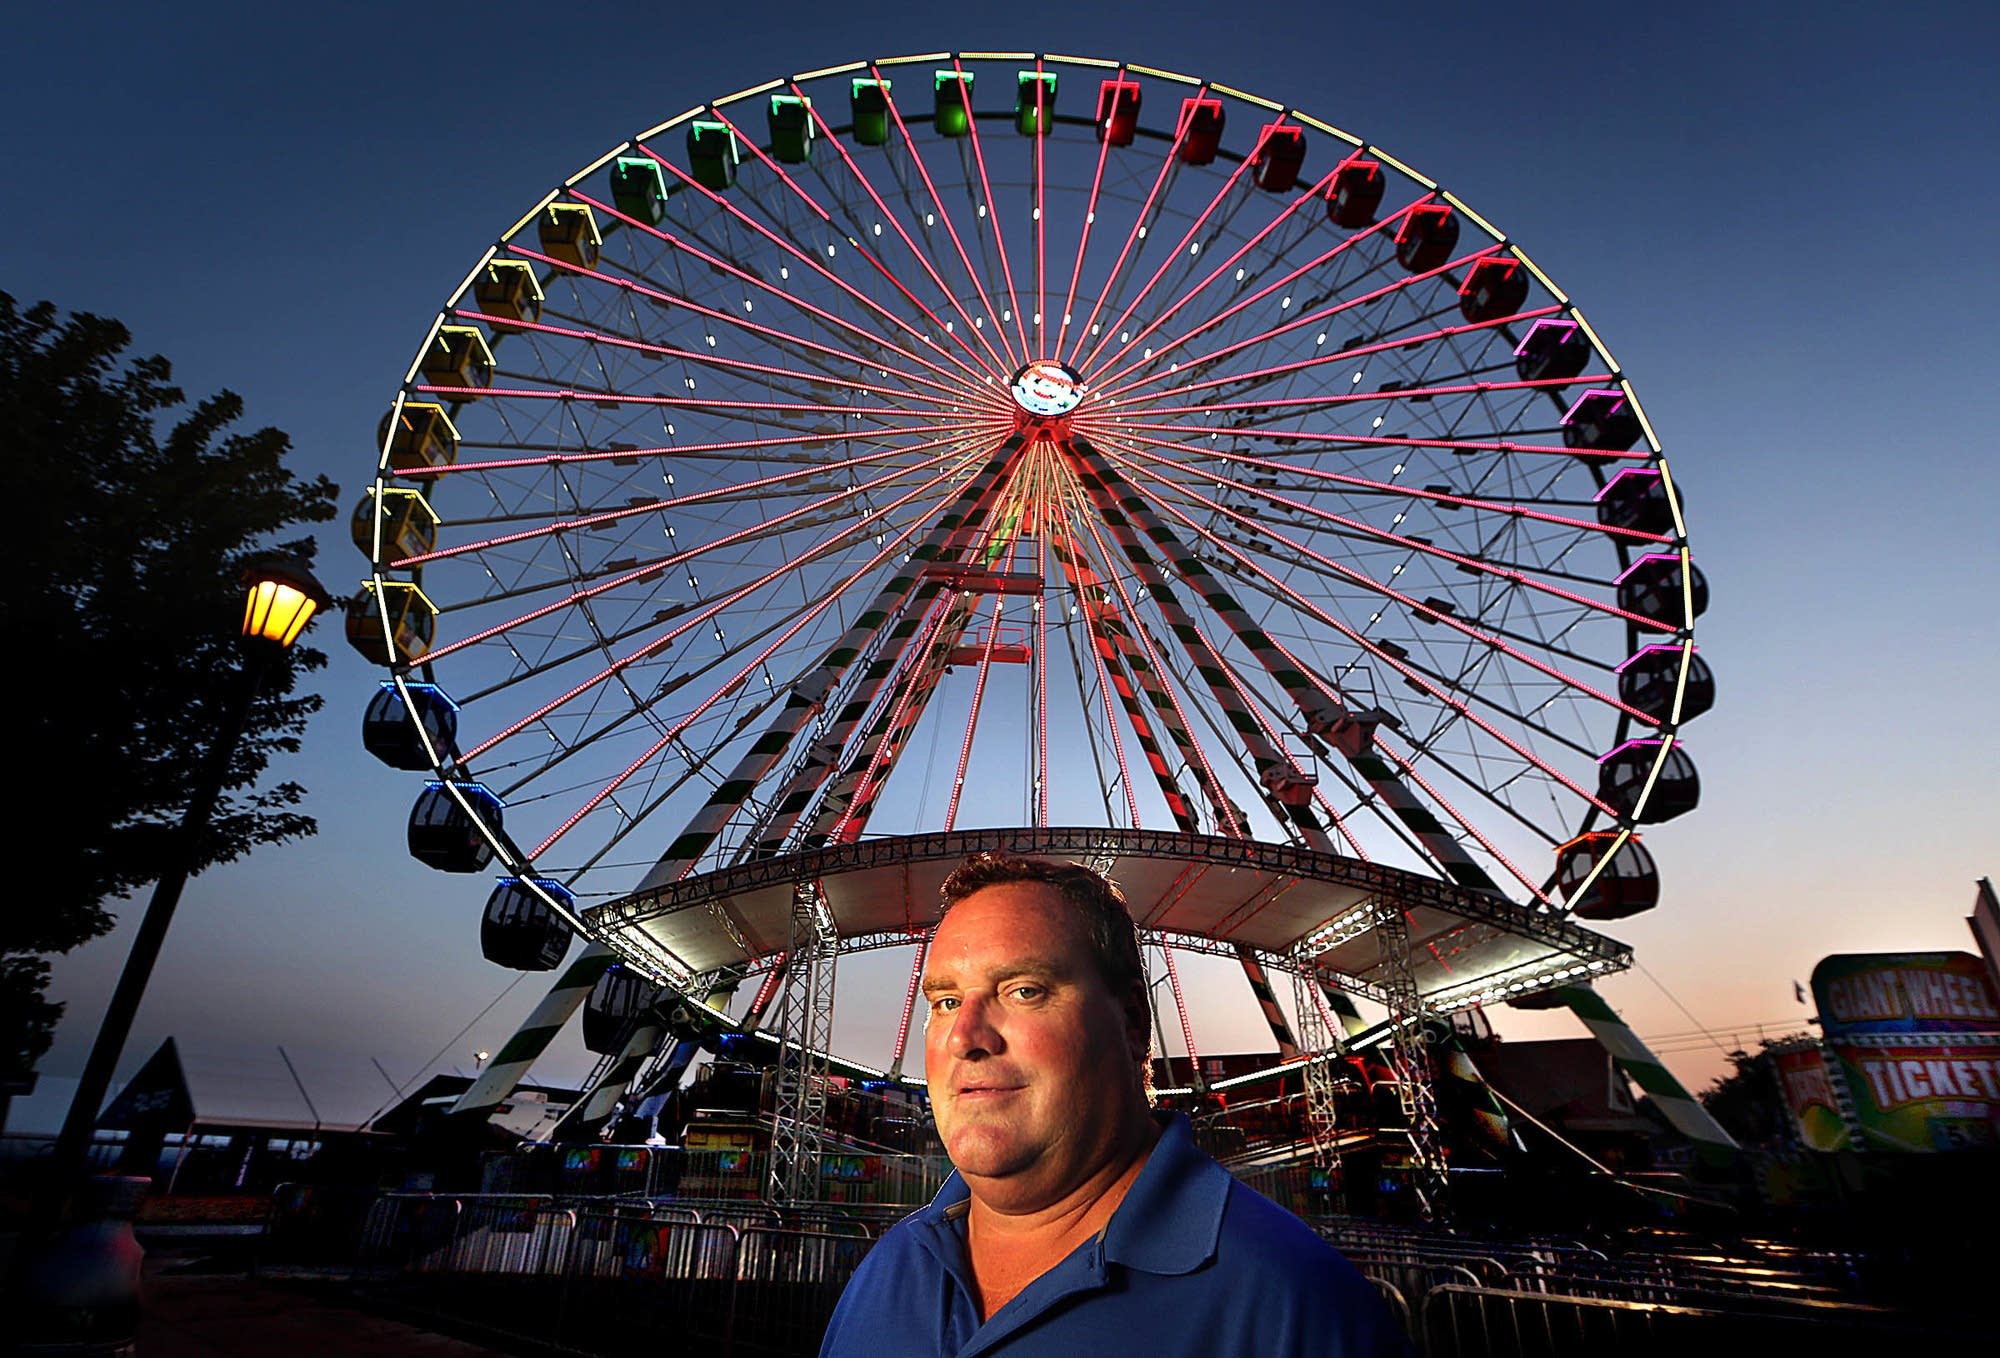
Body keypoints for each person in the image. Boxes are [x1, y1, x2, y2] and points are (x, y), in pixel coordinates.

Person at [819, 853, 1410, 1357]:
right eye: (946, 1002)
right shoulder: (888, 1268)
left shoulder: (1296, 1308)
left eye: (1024, 991)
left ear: (1131, 1021)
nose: (964, 1038)